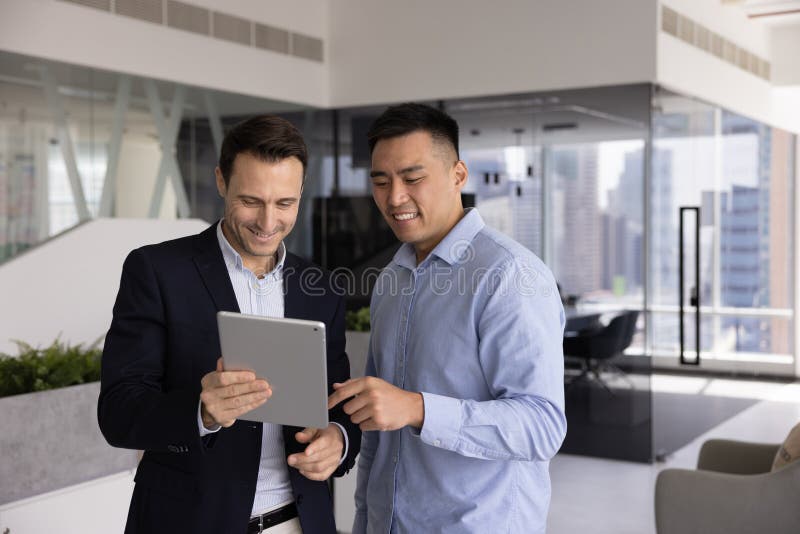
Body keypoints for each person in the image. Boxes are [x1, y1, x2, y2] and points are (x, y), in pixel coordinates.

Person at [99, 115, 360, 534]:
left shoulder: (320, 288)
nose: (267, 223)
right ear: (221, 181)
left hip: (300, 522)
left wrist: (338, 440)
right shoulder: (157, 270)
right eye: (251, 201)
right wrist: (200, 411)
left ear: (301, 192)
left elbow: (337, 402)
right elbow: (118, 412)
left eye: (284, 203)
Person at [327, 103, 566, 534]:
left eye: (412, 178)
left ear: (458, 175)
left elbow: (542, 426)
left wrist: (418, 409)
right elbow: (379, 435)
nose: (394, 197)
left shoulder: (510, 275)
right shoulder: (391, 279)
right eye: (380, 181)